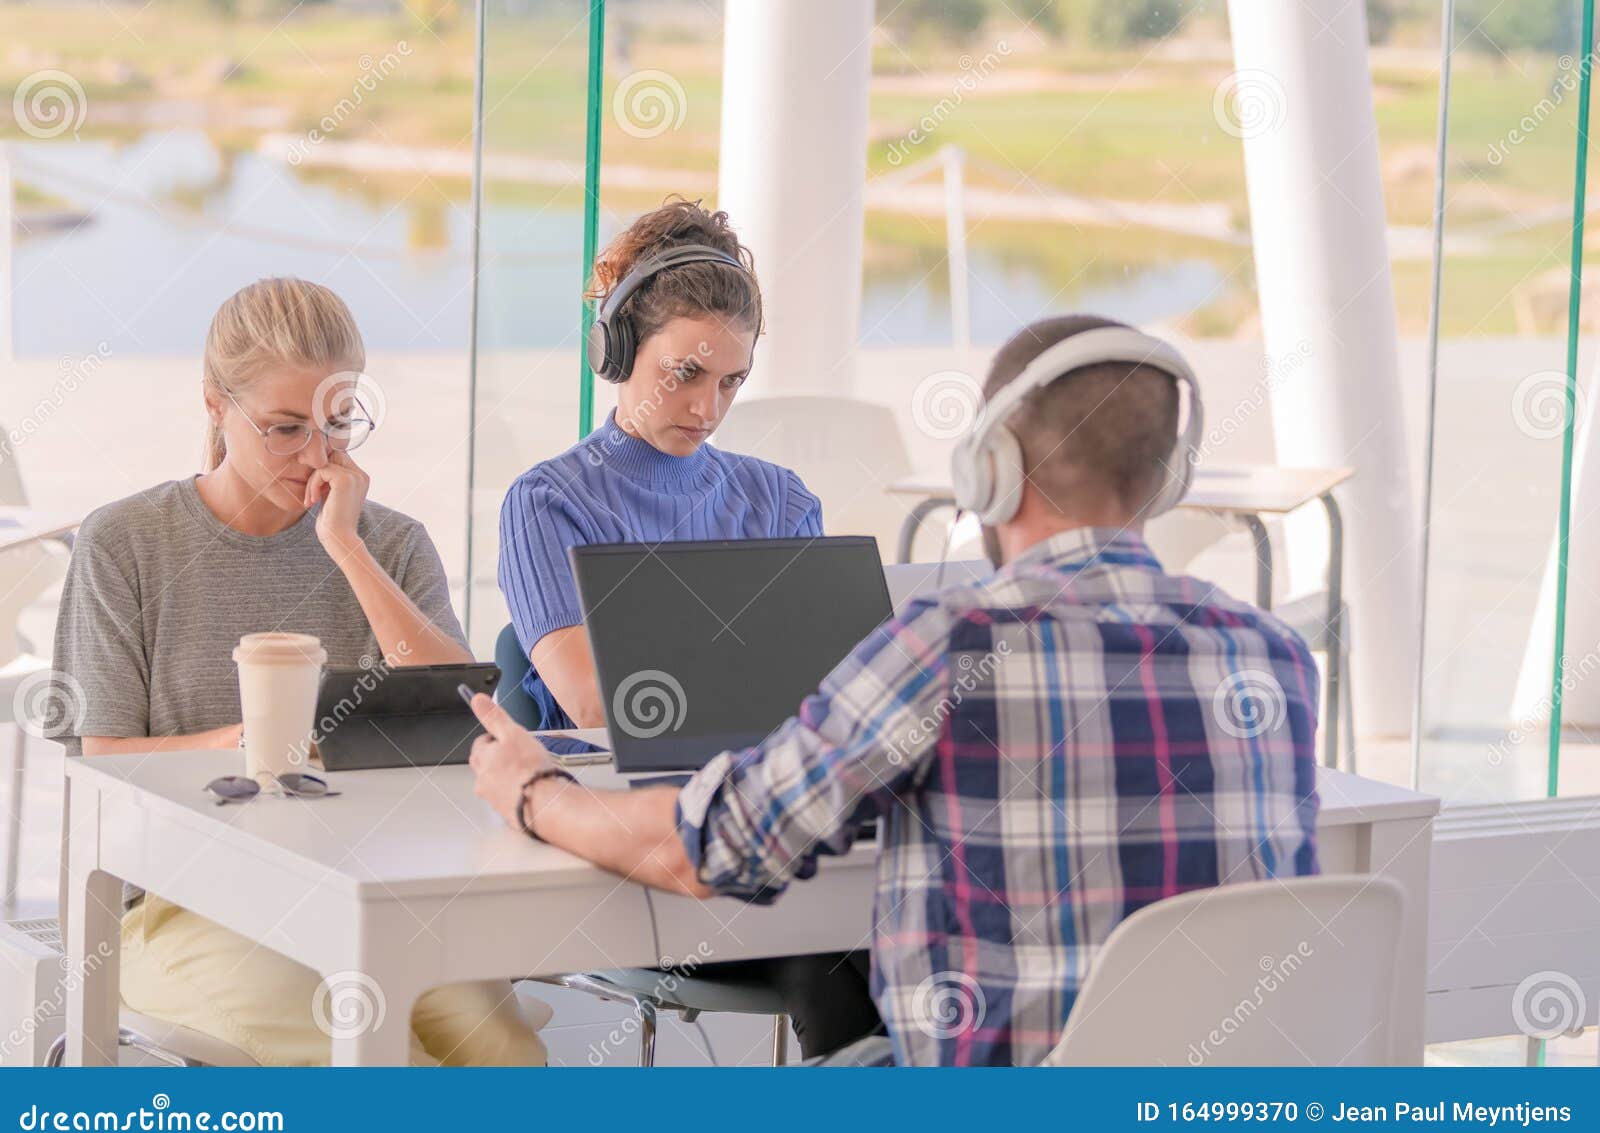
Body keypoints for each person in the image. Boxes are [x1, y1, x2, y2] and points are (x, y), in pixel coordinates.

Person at [469, 314, 1323, 1066]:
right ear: (1165, 479)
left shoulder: (950, 645)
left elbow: (709, 848)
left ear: (990, 468)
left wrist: (537, 792)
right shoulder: (1276, 659)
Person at [52, 278, 550, 1067]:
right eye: (285, 428)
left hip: (368, 886)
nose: (317, 456)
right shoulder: (125, 542)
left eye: (338, 424)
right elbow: (104, 757)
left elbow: (461, 710)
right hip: (178, 901)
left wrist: (346, 547)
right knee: (382, 1063)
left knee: (505, 1052)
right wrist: (253, 744)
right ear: (215, 405)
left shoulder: (391, 544)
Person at [496, 198, 883, 1059]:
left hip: (767, 824)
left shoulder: (780, 499)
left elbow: (829, 697)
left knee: (909, 913)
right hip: (629, 841)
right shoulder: (549, 502)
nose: (708, 406)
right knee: (838, 945)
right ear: (617, 351)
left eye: (731, 381)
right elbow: (595, 701)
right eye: (685, 373)